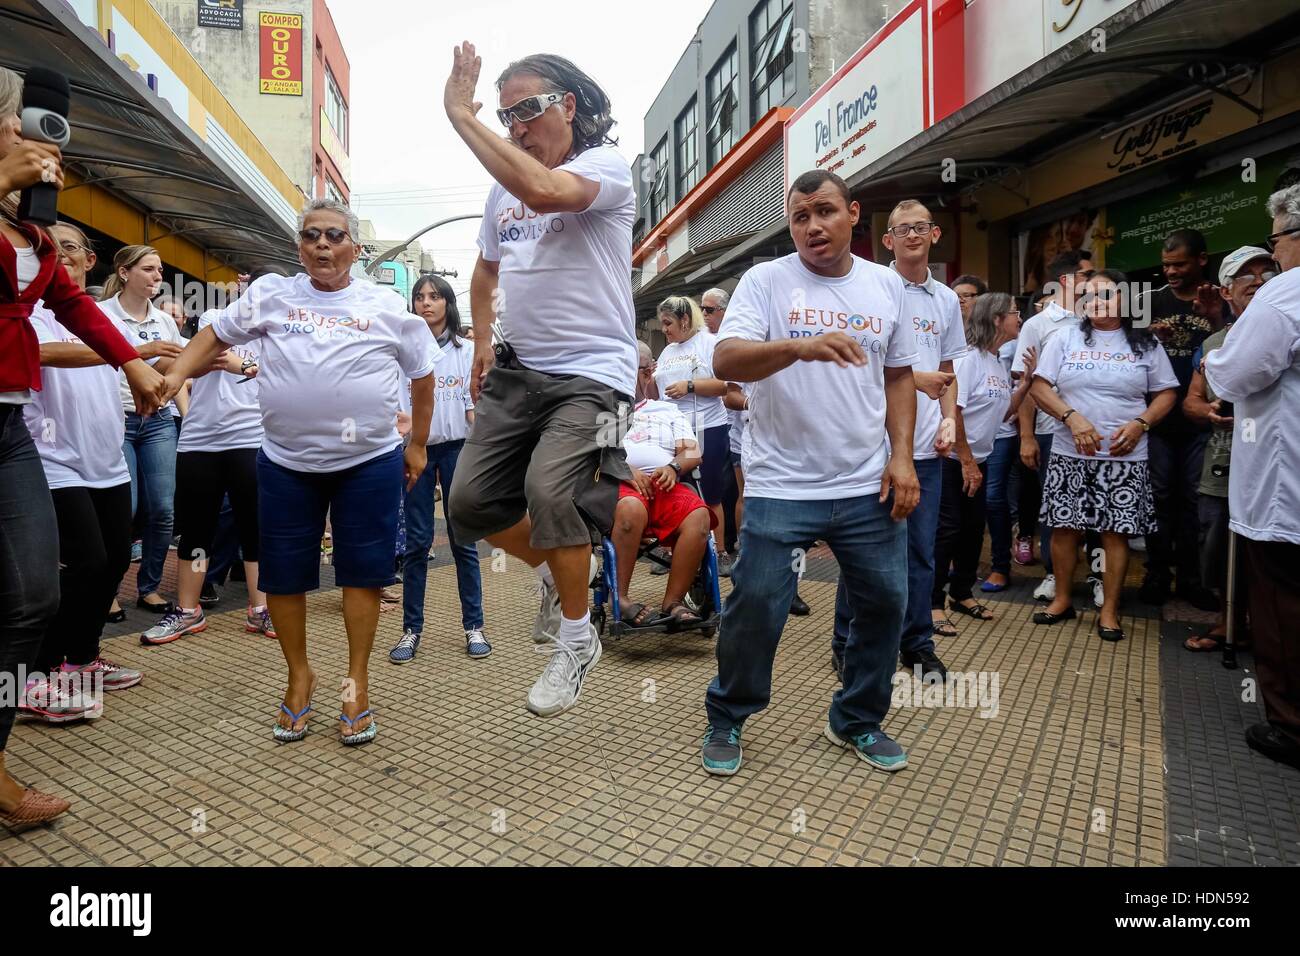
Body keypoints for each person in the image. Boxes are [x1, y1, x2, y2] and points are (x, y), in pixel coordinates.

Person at [160, 199, 437, 747]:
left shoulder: (384, 304)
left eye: (334, 236)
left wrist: (419, 445)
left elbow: (423, 375)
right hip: (286, 463)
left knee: (363, 574)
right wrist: (174, 378)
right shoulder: (270, 294)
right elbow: (214, 334)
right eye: (311, 236)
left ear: (354, 248)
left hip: (370, 462)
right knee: (284, 577)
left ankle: (356, 682)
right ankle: (298, 675)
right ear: (299, 246)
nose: (322, 246)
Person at [701, 169, 920, 777]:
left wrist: (902, 457)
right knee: (758, 606)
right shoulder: (767, 281)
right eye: (799, 217)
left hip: (865, 482)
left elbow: (899, 375)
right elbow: (726, 358)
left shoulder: (886, 286)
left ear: (853, 214)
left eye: (824, 211)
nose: (812, 226)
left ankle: (856, 719)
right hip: (780, 484)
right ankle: (729, 714)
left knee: (884, 604)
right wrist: (797, 345)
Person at [442, 46, 637, 718]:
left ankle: (578, 641)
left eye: (526, 109)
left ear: (569, 106)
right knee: (468, 508)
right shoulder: (504, 190)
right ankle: (564, 576)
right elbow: (484, 272)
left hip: (598, 376)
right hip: (519, 373)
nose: (516, 125)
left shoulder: (604, 167)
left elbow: (546, 191)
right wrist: (479, 340)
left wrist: (461, 117)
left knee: (550, 490)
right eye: (505, 115)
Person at [1, 65, 166, 826]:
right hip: (34, 439)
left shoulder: (31, 232)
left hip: (9, 434)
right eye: (18, 129)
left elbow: (75, 309)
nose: (36, 147)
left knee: (34, 594)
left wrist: (136, 364)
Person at [21, 221, 142, 724]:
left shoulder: (90, 313)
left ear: (89, 261)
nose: (59, 255)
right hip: (52, 460)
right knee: (84, 563)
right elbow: (42, 353)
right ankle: (36, 676)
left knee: (114, 561)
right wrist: (135, 354)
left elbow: (133, 362)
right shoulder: (24, 307)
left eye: (68, 248)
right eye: (48, 247)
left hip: (105, 461)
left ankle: (83, 659)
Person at [1204, 184, 1300, 770]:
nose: (1276, 255)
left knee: (1283, 600)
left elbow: (1233, 374)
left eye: (1277, 241)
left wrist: (1220, 358)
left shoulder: (1284, 297)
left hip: (1286, 482)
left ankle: (1290, 725)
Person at [1029, 269, 1179, 641]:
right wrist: (1071, 417)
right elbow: (1039, 386)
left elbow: (1166, 393)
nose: (1097, 303)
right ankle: (1062, 599)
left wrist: (1141, 423)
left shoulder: (1145, 344)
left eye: (1106, 295)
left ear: (1125, 300)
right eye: (1090, 296)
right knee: (1065, 528)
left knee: (1115, 533)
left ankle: (1109, 610)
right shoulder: (1064, 338)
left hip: (1124, 454)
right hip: (1070, 450)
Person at [139, 286, 273, 647]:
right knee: (197, 529)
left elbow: (284, 374)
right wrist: (250, 366)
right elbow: (210, 359)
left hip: (252, 437)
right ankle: (187, 611)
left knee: (254, 526)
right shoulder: (216, 320)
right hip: (200, 438)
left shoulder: (277, 332)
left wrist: (243, 364)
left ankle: (260, 609)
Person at [868, 198, 963, 679]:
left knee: (922, 553)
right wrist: (918, 378)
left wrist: (949, 419)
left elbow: (948, 371)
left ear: (933, 235)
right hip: (875, 449)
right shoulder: (871, 288)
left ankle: (917, 645)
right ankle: (851, 644)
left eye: (920, 227)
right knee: (865, 553)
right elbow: (865, 367)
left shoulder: (945, 300)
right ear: (888, 240)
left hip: (926, 449)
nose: (911, 235)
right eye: (901, 229)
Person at [389, 274, 488, 664]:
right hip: (416, 452)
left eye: (434, 296)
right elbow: (398, 402)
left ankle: (474, 626)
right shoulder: (403, 350)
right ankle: (411, 631)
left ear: (448, 301)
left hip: (457, 450)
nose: (426, 303)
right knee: (416, 543)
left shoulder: (465, 351)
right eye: (419, 297)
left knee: (464, 540)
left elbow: (473, 406)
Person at [1182, 246, 1274, 652]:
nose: (1258, 281)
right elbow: (1191, 402)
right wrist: (1209, 412)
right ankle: (1228, 622)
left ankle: (1272, 632)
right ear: (1226, 292)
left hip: (1276, 464)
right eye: (1246, 276)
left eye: (1266, 272)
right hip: (1222, 462)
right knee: (1218, 545)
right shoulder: (1215, 343)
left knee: (1273, 551)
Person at [930, 293, 1033, 631]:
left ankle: (961, 593)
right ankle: (932, 603)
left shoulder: (995, 361)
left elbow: (1002, 414)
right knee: (947, 532)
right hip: (954, 461)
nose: (1020, 318)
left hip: (979, 460)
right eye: (1016, 312)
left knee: (974, 531)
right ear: (996, 319)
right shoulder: (967, 359)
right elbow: (953, 411)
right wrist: (966, 460)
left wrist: (1026, 383)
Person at [99, 245, 185, 616]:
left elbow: (178, 369)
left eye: (160, 270)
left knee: (163, 508)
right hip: (115, 419)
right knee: (124, 508)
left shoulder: (165, 321)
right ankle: (107, 591)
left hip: (159, 421)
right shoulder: (100, 315)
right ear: (124, 272)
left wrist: (188, 414)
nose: (157, 276)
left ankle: (149, 587)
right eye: (149, 269)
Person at [1142, 228, 1225, 610]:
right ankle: (1156, 574)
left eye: (1180, 264)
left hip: (1202, 422)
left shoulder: (1220, 300)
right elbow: (1124, 350)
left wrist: (1214, 318)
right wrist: (1146, 336)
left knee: (1196, 501)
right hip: (1157, 421)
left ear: (1202, 261)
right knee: (1158, 498)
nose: (1171, 271)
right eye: (1166, 265)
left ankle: (1194, 579)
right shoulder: (1149, 302)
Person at [1014, 250, 1101, 606]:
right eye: (1087, 276)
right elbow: (1026, 386)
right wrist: (1027, 436)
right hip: (1053, 432)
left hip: (1100, 430)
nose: (1095, 283)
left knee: (1099, 509)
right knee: (1057, 508)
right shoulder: (1037, 325)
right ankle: (1053, 573)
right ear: (1067, 281)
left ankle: (1098, 574)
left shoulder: (1102, 319)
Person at [611, 398, 711, 627]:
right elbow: (600, 452)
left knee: (699, 517)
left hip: (666, 483)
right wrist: (625, 469)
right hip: (622, 483)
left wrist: (673, 468)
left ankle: (673, 603)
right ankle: (620, 598)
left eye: (642, 370)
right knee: (630, 510)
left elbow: (693, 451)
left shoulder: (668, 409)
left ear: (648, 374)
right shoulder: (609, 406)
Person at [653, 295, 731, 571]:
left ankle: (719, 551)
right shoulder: (666, 352)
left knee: (709, 492)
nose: (664, 329)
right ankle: (674, 550)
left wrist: (690, 386)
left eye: (667, 323)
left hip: (707, 426)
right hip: (673, 431)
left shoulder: (709, 343)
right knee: (674, 491)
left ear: (685, 320)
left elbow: (725, 385)